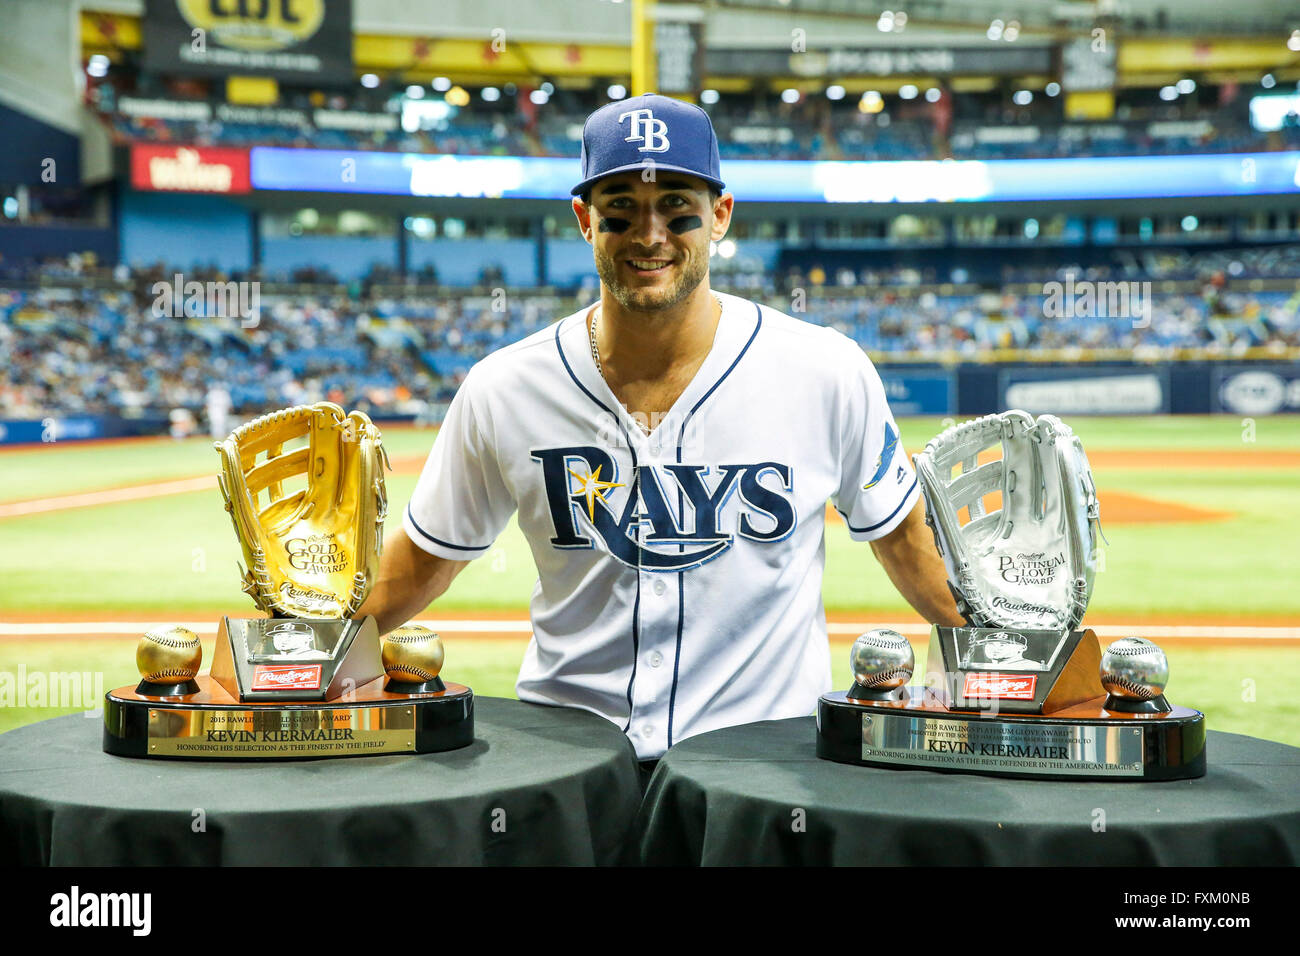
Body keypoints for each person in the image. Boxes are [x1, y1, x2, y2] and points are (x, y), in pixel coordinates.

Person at [358, 94, 963, 780]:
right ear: (584, 220)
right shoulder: (505, 387)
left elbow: (905, 543)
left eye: (678, 208)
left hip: (763, 770)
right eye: (620, 211)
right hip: (568, 767)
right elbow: (422, 563)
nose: (650, 236)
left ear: (720, 217)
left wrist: (1022, 663)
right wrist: (298, 648)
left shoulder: (825, 370)